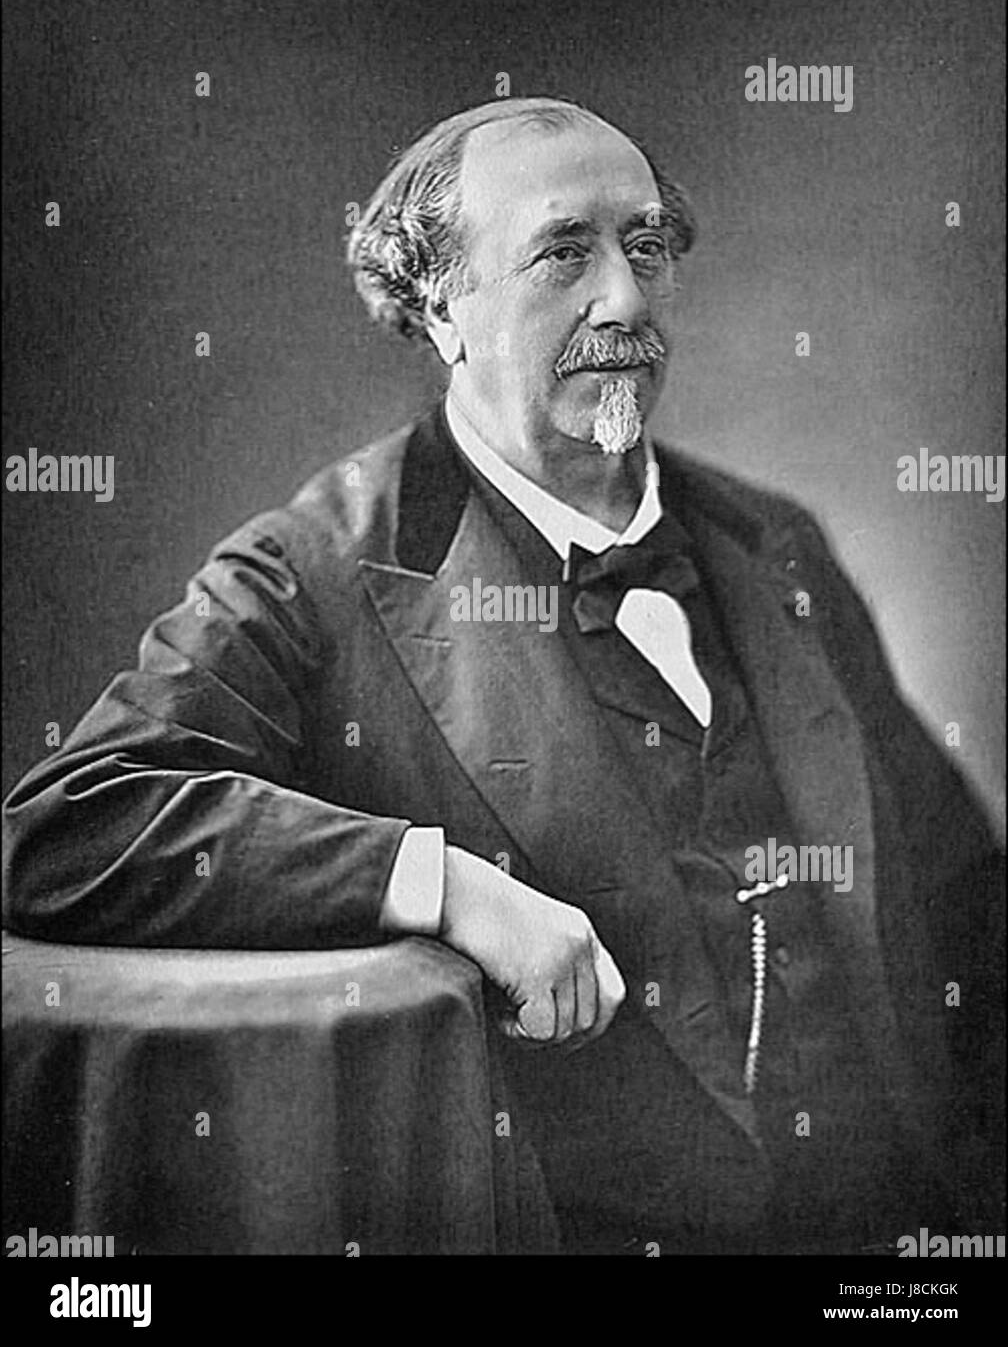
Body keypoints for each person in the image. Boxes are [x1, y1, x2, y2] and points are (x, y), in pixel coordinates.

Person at [3, 97, 1003, 1254]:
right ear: (443, 309)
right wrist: (442, 885)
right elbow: (68, 822)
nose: (625, 300)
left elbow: (963, 904)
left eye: (646, 247)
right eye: (564, 252)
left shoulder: (772, 542)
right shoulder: (310, 570)